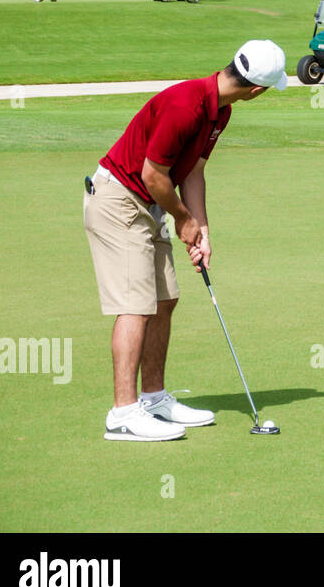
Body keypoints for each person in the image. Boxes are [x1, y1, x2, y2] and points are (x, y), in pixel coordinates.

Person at [84, 40, 288, 441]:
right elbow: (153, 175)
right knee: (134, 306)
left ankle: (154, 399)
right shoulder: (185, 105)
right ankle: (122, 414)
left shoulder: (219, 111)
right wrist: (182, 220)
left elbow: (193, 171)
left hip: (150, 206)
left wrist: (201, 227)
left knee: (165, 299)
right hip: (119, 202)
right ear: (257, 90)